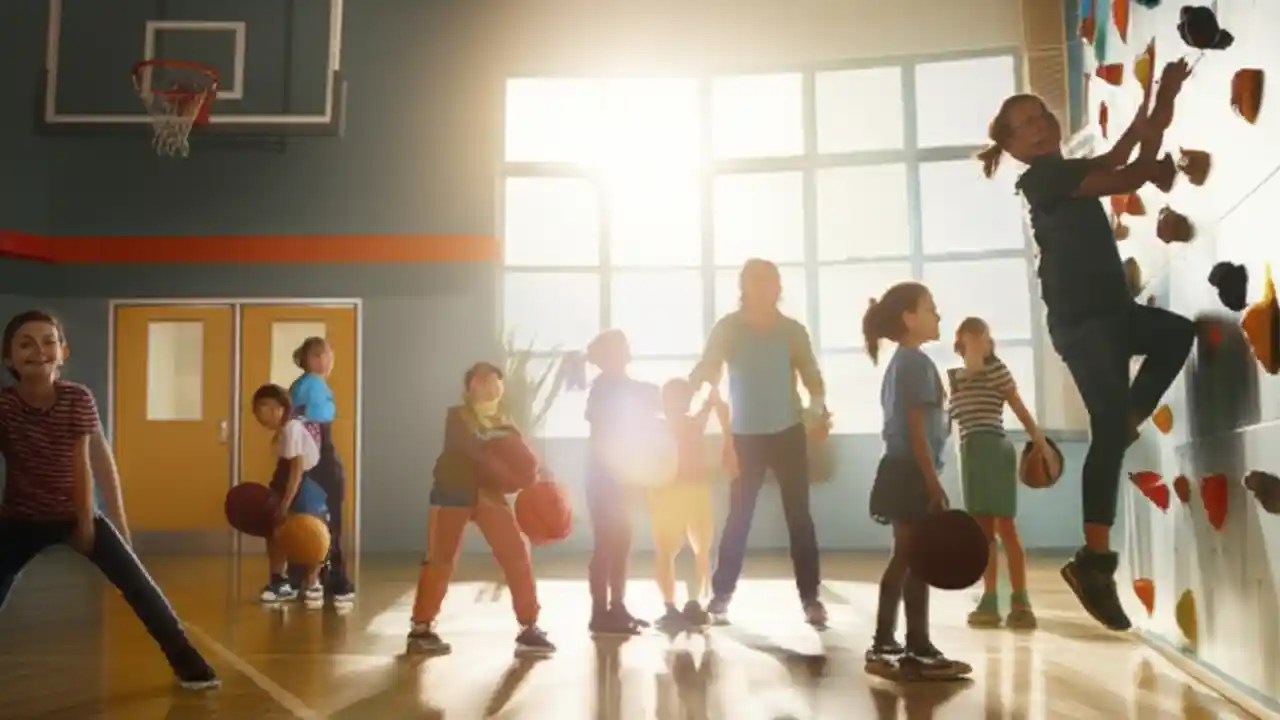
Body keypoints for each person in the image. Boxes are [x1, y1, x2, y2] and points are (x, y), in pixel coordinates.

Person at [977, 59, 1196, 630]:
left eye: (1042, 115)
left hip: (1114, 314)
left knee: (1177, 333)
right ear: (1012, 146)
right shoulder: (1040, 180)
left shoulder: (1064, 168)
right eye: (1025, 124)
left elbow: (1121, 151)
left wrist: (1160, 96)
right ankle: (1094, 560)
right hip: (1083, 324)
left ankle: (1129, 417)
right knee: (1107, 432)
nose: (1041, 125)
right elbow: (1126, 173)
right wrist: (1151, 145)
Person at [0, 310, 220, 690]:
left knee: (139, 585)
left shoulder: (76, 398)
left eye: (49, 341)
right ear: (9, 359)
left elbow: (86, 463)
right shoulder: (4, 406)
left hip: (76, 511)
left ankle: (186, 661)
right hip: (20, 517)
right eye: (25, 343)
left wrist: (99, 523)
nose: (39, 350)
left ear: (63, 351)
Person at [689, 258, 828, 627]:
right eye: (756, 280)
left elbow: (813, 379)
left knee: (799, 517)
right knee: (739, 517)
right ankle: (721, 595)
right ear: (744, 286)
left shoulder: (792, 331)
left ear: (778, 287)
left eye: (770, 280)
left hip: (788, 432)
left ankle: (811, 598)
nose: (764, 286)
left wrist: (816, 412)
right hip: (745, 437)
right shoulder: (729, 329)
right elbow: (709, 365)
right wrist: (692, 386)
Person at [406, 361, 555, 657]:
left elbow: (525, 462)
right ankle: (421, 629)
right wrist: (507, 471)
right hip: (452, 493)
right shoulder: (457, 416)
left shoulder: (506, 424)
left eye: (494, 380)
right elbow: (473, 450)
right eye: (481, 380)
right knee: (440, 560)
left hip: (489, 495)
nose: (488, 385)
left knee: (516, 553)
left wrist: (533, 475)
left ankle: (529, 628)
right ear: (469, 387)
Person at [862, 283, 970, 680]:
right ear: (909, 317)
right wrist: (931, 480)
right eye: (931, 308)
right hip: (910, 473)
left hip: (903, 470)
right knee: (912, 557)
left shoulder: (906, 363)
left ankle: (904, 642)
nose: (938, 316)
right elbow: (915, 427)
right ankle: (899, 643)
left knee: (910, 557)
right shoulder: (913, 363)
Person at [949, 317, 1056, 630]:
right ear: (963, 338)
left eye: (984, 335)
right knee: (982, 534)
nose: (983, 340)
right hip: (969, 453)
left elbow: (1019, 409)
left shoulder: (998, 370)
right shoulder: (953, 378)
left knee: (1006, 527)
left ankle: (1021, 600)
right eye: (976, 335)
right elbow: (951, 422)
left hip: (996, 450)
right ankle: (990, 599)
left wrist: (1041, 443)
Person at [584, 330, 657, 635]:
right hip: (604, 478)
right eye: (616, 348)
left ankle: (618, 607)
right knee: (606, 544)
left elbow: (654, 401)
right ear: (604, 357)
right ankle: (600, 612)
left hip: (623, 477)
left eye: (624, 346)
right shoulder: (603, 387)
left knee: (622, 542)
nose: (624, 352)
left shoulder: (626, 386)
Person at [649, 379, 733, 631]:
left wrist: (711, 400)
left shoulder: (680, 424)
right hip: (672, 492)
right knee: (675, 550)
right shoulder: (664, 427)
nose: (675, 404)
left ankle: (689, 603)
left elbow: (705, 412)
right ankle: (678, 604)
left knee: (697, 549)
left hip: (685, 491)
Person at [251, 384, 330, 609]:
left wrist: (286, 501)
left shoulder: (292, 428)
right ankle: (285, 581)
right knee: (278, 530)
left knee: (309, 531)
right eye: (256, 410)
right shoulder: (289, 427)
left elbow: (296, 468)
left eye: (262, 408)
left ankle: (310, 583)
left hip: (303, 483)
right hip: (291, 480)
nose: (258, 415)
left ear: (278, 408)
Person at [289, 336, 354, 601]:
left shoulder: (300, 385)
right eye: (320, 356)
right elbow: (316, 422)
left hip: (306, 455)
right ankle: (334, 579)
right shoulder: (313, 385)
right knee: (330, 519)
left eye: (328, 355)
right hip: (319, 455)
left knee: (306, 517)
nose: (326, 361)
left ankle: (300, 577)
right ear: (308, 359)